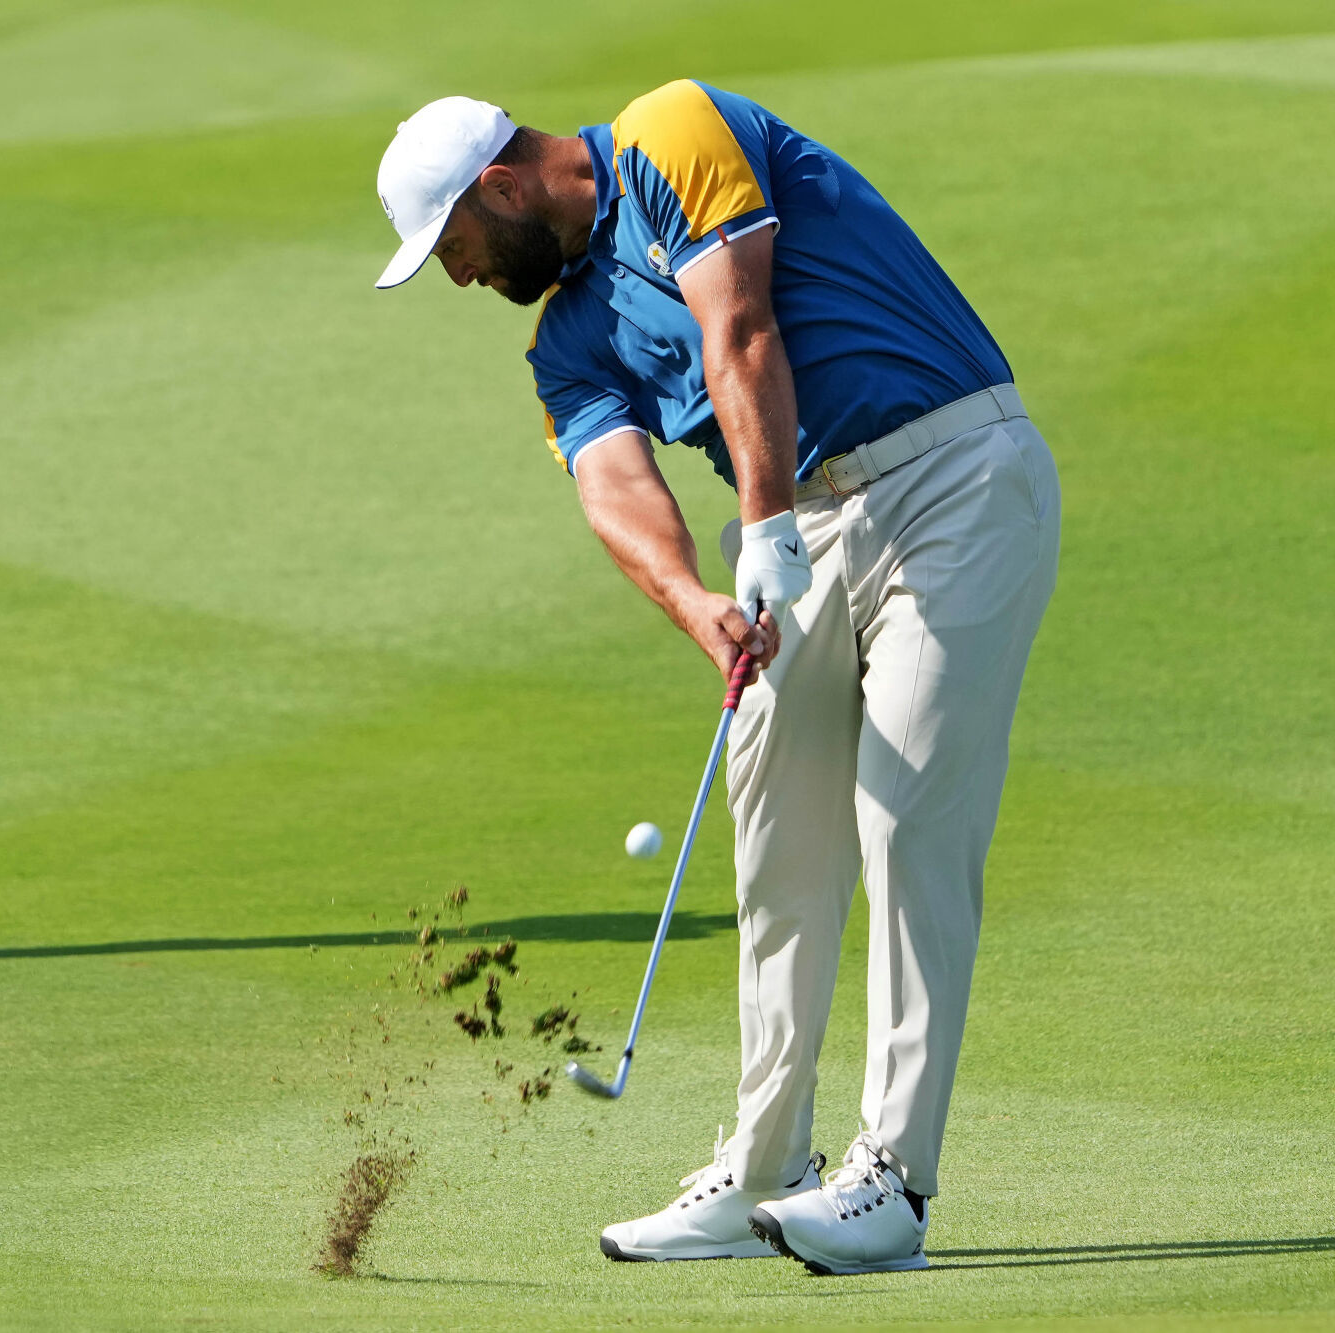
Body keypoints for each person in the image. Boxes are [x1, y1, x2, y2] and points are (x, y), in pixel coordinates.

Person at [372, 81, 1059, 1276]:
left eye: (454, 246)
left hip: (949, 473)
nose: (458, 276)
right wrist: (698, 603)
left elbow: (739, 326)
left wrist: (760, 532)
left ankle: (891, 1183)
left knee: (903, 819)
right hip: (798, 523)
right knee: (775, 835)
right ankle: (761, 1171)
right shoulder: (564, 341)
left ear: (498, 187)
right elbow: (612, 486)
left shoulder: (671, 131)